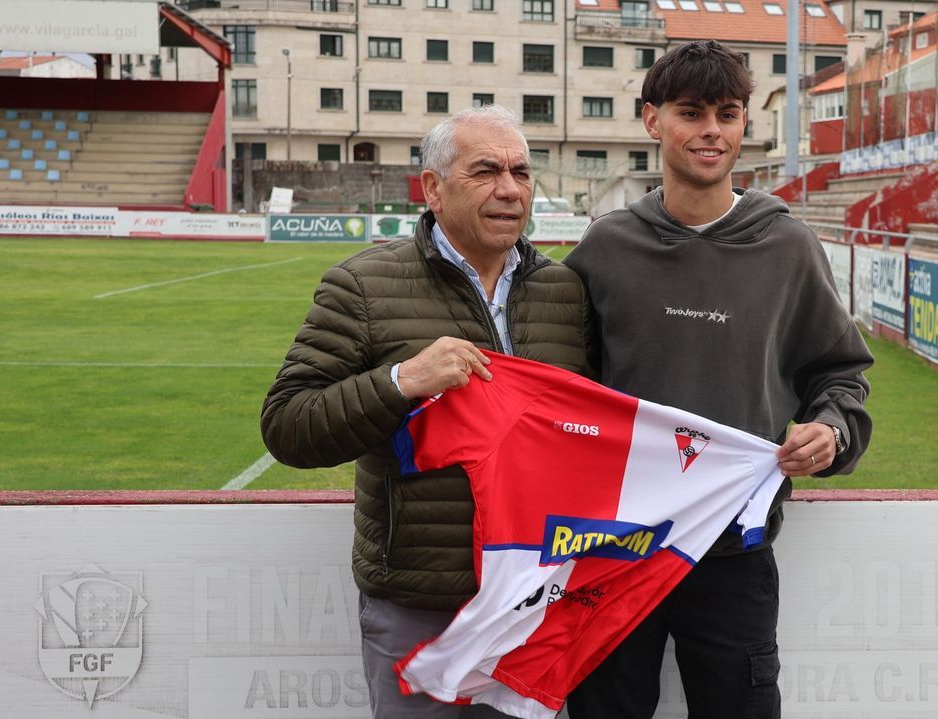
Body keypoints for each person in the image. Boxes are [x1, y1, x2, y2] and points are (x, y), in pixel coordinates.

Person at [564, 40, 874, 719]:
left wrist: (830, 429)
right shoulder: (605, 247)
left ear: (743, 126)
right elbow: (565, 386)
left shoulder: (787, 245)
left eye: (728, 114)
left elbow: (840, 373)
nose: (711, 131)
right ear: (653, 121)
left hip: (735, 547)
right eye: (691, 112)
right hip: (616, 550)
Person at [260, 104, 591, 719]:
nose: (510, 190)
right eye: (486, 171)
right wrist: (400, 381)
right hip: (419, 604)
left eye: (521, 172)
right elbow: (287, 426)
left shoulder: (565, 292)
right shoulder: (362, 286)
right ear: (433, 189)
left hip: (533, 603)